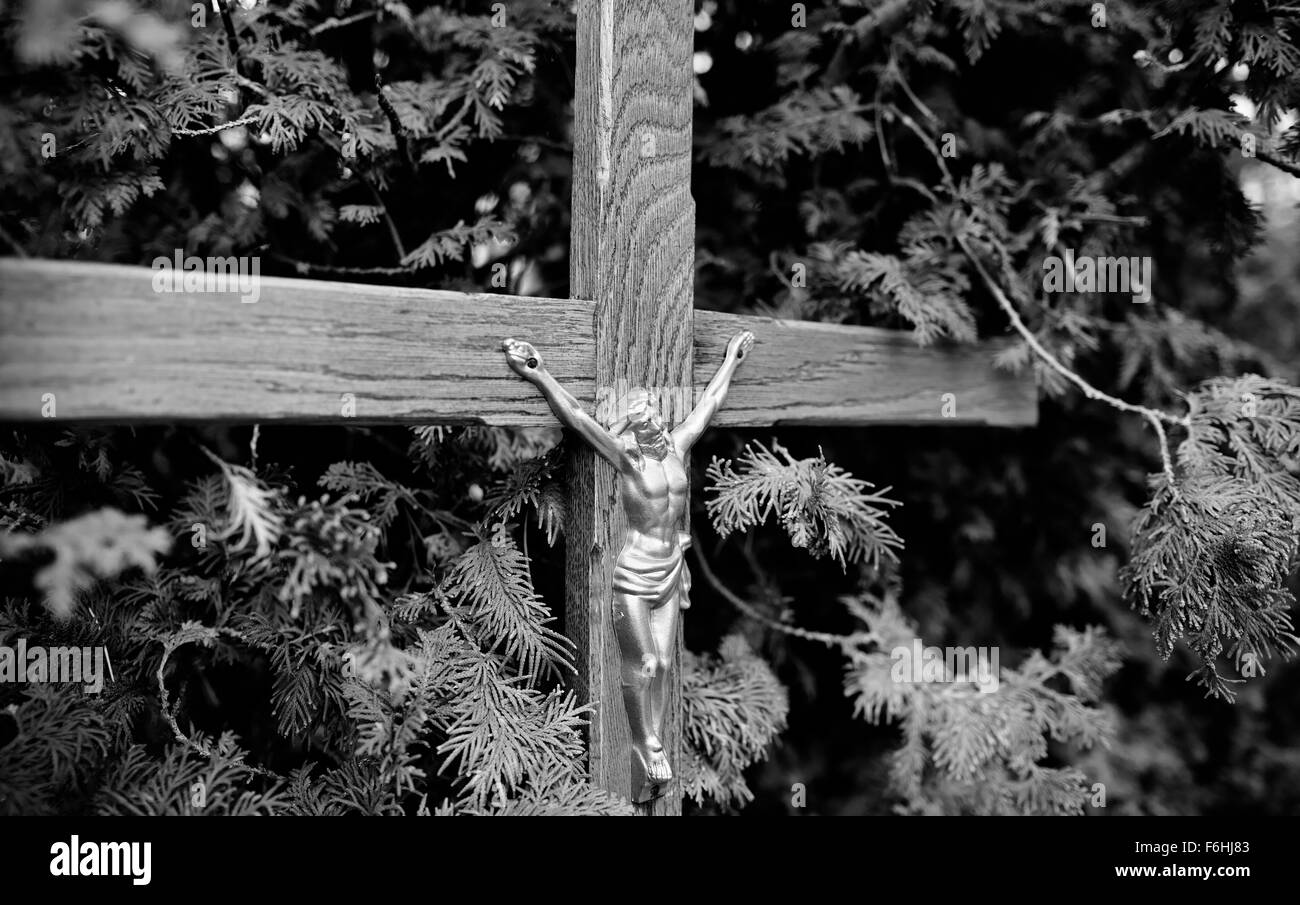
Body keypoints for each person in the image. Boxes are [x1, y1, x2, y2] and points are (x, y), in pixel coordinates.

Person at [502, 330, 754, 799]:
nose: (655, 425)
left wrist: (732, 363)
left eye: (655, 415)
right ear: (633, 430)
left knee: (663, 668)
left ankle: (651, 750)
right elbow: (579, 419)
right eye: (643, 421)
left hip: (671, 569)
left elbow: (709, 406)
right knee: (646, 662)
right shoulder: (629, 462)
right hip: (634, 574)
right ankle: (647, 745)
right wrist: (539, 374)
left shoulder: (676, 448)